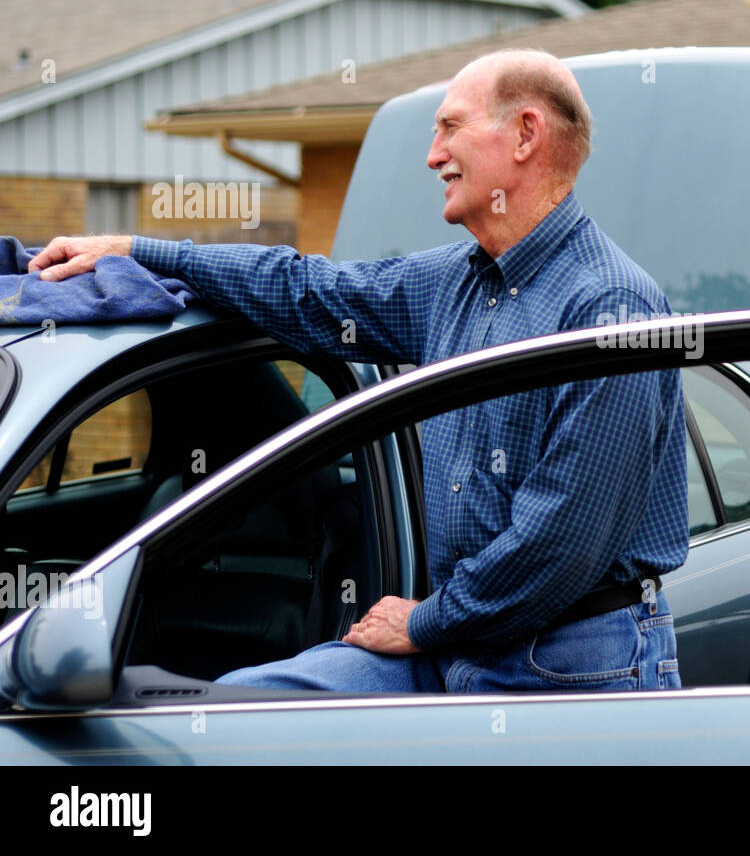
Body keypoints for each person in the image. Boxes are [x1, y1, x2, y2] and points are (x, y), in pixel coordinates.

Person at [28, 49, 689, 694]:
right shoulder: (454, 284)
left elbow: (561, 541)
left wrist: (427, 620)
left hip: (569, 662)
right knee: (234, 711)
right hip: (458, 642)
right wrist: (141, 252)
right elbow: (308, 290)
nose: (433, 155)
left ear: (524, 134)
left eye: (450, 126)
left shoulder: (609, 307)